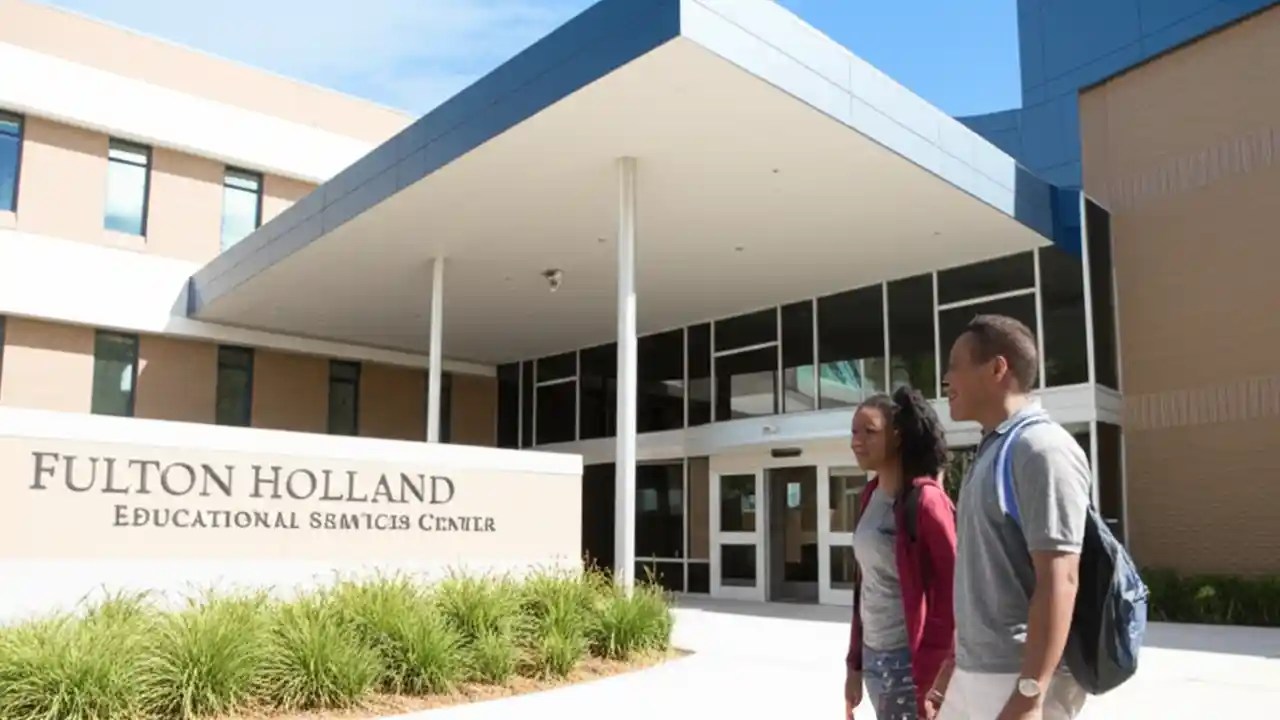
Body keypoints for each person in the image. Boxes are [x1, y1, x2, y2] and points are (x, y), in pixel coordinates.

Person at [928, 315, 1091, 720]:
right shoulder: (991, 449)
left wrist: (1030, 694)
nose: (946, 378)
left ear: (998, 368)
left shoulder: (1040, 448)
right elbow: (984, 575)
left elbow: (1061, 579)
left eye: (955, 364)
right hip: (976, 673)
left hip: (1016, 679)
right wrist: (953, 665)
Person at [844, 386, 957, 720]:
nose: (856, 441)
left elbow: (952, 594)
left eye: (869, 431)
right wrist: (855, 664)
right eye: (853, 431)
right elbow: (864, 585)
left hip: (909, 663)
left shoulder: (926, 501)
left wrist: (936, 676)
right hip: (874, 657)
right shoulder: (869, 495)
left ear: (897, 436)